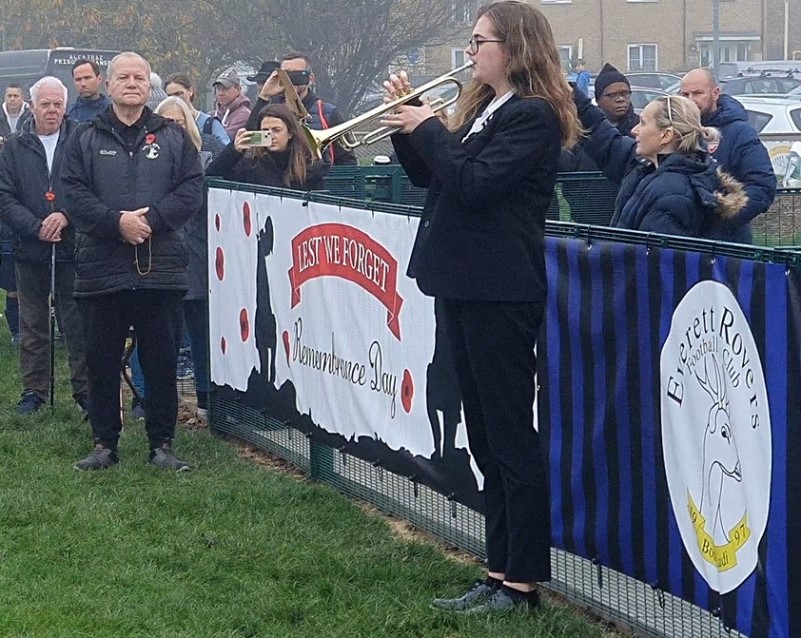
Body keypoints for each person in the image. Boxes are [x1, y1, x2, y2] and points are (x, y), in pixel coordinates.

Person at [384, 0, 580, 614]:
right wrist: (406, 129)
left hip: (500, 287)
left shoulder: (533, 116)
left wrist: (432, 129)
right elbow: (436, 178)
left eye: (480, 41)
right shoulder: (487, 109)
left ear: (515, 46)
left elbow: (474, 185)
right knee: (486, 438)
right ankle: (497, 572)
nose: (471, 52)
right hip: (464, 282)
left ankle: (523, 584)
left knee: (509, 436)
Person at [62, 52, 203, 471]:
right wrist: (115, 222)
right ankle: (104, 444)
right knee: (101, 361)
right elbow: (73, 192)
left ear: (149, 86)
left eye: (139, 77)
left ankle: (163, 445)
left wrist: (152, 221)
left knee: (161, 361)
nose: (131, 84)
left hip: (160, 269)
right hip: (100, 269)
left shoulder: (174, 138)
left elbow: (191, 190)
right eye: (123, 77)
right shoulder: (83, 138)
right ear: (108, 85)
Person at [0, 76, 90, 415]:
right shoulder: (14, 146)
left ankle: (85, 391)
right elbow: (4, 196)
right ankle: (33, 391)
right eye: (45, 104)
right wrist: (36, 227)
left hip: (74, 247)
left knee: (78, 324)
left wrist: (66, 215)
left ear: (64, 106)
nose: (51, 111)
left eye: (57, 104)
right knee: (33, 324)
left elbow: (91, 187)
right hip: (30, 248)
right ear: (32, 106)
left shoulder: (82, 139)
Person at [573, 91, 747, 236]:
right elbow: (606, 139)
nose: (634, 130)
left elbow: (655, 266)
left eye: (642, 123)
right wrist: (570, 95)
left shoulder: (672, 195)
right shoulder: (648, 167)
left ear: (666, 135)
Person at [156, 96, 225, 421]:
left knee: (200, 330)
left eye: (179, 121)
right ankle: (152, 399)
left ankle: (205, 399)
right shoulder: (147, 159)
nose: (174, 128)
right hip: (158, 256)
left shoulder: (207, 155)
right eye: (166, 122)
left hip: (198, 254)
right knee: (157, 332)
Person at [680, 68, 776, 243]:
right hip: (684, 242)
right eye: (685, 95)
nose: (690, 100)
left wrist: (722, 220)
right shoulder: (676, 132)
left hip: (727, 245)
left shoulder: (740, 132)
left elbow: (762, 186)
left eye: (697, 93)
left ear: (715, 93)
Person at [247, 53, 357, 166]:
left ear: (310, 79)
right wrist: (264, 96)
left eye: (297, 74)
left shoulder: (328, 113)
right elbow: (250, 140)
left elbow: (347, 159)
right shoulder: (269, 109)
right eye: (286, 75)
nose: (291, 79)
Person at [207, 104, 325, 190]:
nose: (271, 136)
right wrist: (233, 151)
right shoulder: (251, 162)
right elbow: (213, 174)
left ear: (290, 133)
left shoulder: (308, 163)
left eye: (276, 130)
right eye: (265, 131)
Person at [164, 72, 229, 145]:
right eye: (170, 96)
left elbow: (227, 151)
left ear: (190, 91)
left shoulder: (209, 124)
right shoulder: (165, 125)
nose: (174, 99)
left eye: (178, 94)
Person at [209, 68, 251, 140]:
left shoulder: (243, 114)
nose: (220, 93)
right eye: (218, 89)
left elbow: (224, 140)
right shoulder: (212, 114)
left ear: (238, 90)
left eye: (225, 88)